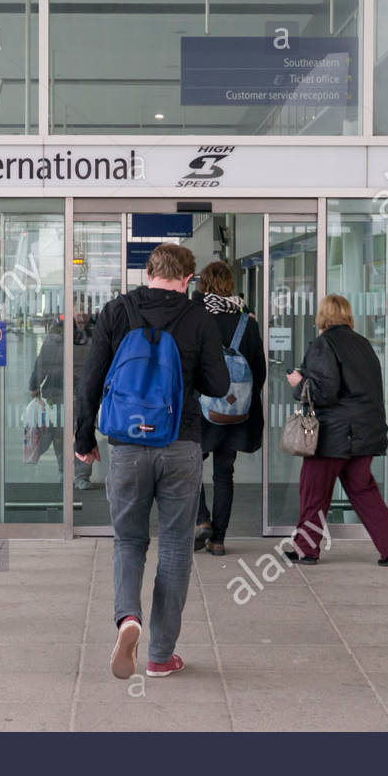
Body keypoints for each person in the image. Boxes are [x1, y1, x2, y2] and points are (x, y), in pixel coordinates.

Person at [75, 243, 228, 680]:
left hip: (125, 445)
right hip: (180, 443)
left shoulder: (117, 311)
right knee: (177, 547)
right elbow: (218, 384)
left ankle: (128, 619)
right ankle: (161, 655)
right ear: (187, 278)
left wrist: (84, 438)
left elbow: (91, 381)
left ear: (148, 273)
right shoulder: (198, 317)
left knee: (128, 541)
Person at [284, 294, 388, 568]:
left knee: (314, 490)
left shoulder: (324, 344)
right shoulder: (362, 344)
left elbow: (324, 391)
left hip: (335, 434)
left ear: (323, 317)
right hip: (366, 431)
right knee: (362, 489)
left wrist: (299, 382)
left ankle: (306, 548)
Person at [191, 260, 266, 557]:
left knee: (190, 467)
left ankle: (201, 520)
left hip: (201, 407)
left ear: (204, 285)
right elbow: (258, 371)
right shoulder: (248, 321)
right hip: (236, 411)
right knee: (225, 473)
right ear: (230, 285)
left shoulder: (195, 317)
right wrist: (240, 398)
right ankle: (218, 539)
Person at [28, 298, 96, 489]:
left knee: (84, 430)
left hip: (86, 391)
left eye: (86, 309)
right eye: (78, 309)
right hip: (58, 388)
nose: (82, 313)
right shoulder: (59, 330)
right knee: (60, 432)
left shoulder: (97, 332)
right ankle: (63, 470)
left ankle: (82, 474)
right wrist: (34, 384)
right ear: (72, 310)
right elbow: (44, 358)